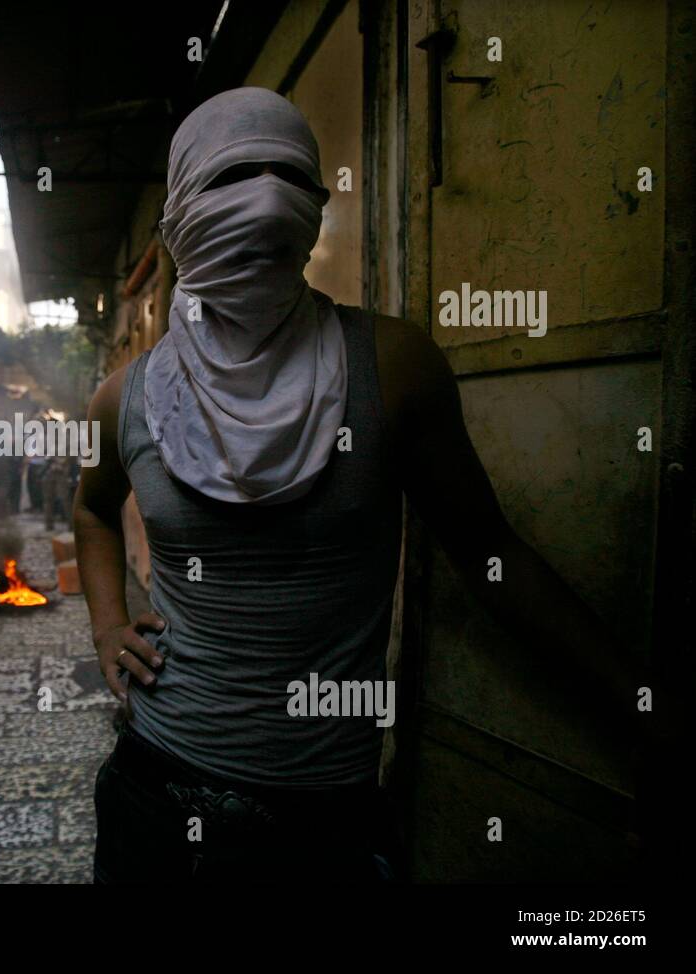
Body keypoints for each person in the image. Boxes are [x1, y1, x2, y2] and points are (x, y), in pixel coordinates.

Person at [73, 88, 642, 884]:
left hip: (324, 813)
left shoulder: (391, 367)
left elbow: (490, 555)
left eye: (289, 176)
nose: (266, 200)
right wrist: (107, 627)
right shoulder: (126, 398)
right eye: (233, 177)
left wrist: (641, 700)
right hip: (156, 789)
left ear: (315, 206)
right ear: (178, 223)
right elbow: (92, 510)